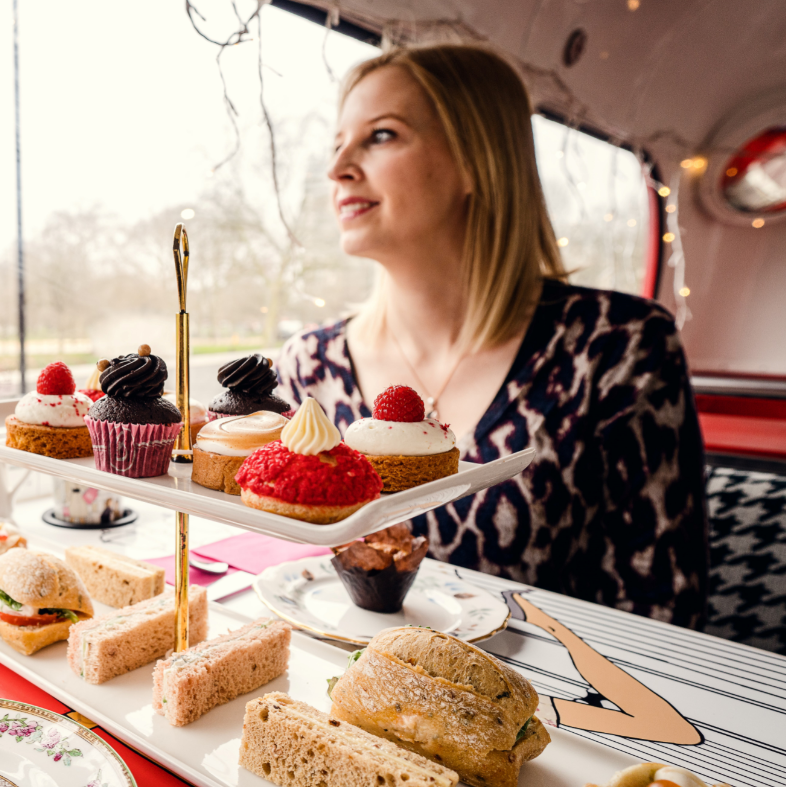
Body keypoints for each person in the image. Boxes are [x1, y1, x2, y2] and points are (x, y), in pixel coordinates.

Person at [276, 44, 708, 628]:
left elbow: (661, 609)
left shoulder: (617, 348)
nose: (338, 169)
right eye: (336, 145)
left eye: (380, 136)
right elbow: (287, 572)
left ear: (477, 159)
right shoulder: (308, 366)